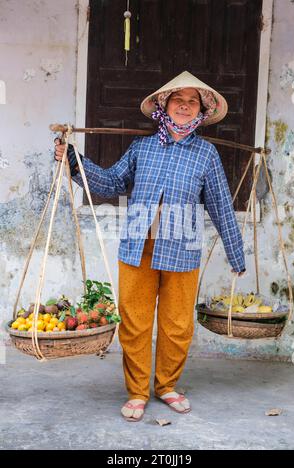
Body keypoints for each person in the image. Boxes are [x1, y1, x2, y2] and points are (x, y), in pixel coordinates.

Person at [54, 71, 246, 422]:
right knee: (135, 323)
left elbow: (220, 205)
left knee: (176, 325)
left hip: (182, 250)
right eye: (178, 100)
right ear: (164, 106)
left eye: (192, 102)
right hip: (137, 248)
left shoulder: (206, 154)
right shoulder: (141, 148)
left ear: (201, 110)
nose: (185, 106)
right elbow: (112, 181)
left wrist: (236, 254)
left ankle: (167, 386)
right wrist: (73, 161)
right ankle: (138, 391)